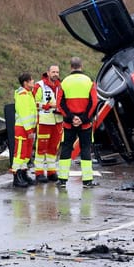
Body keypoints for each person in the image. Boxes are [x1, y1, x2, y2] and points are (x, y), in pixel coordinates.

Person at [57, 57, 98, 188]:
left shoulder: (64, 82)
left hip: (69, 124)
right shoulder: (89, 81)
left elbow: (60, 104)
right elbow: (94, 103)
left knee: (66, 148)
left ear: (71, 67)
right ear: (81, 66)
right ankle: (87, 180)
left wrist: (71, 117)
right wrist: (83, 118)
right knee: (85, 149)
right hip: (85, 124)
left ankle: (62, 179)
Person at [32, 64, 63, 183]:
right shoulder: (40, 86)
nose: (56, 74)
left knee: (53, 148)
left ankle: (51, 171)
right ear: (48, 73)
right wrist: (48, 105)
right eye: (53, 72)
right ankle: (39, 172)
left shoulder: (61, 86)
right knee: (41, 147)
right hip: (45, 120)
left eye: (57, 72)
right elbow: (34, 103)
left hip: (58, 121)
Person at [11, 72, 37, 188]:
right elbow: (24, 114)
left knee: (26, 154)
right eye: (31, 80)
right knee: (19, 154)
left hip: (28, 128)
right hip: (23, 129)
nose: (33, 82)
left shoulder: (28, 94)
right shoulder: (22, 95)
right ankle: (16, 177)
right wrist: (29, 130)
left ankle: (23, 173)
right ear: (25, 83)